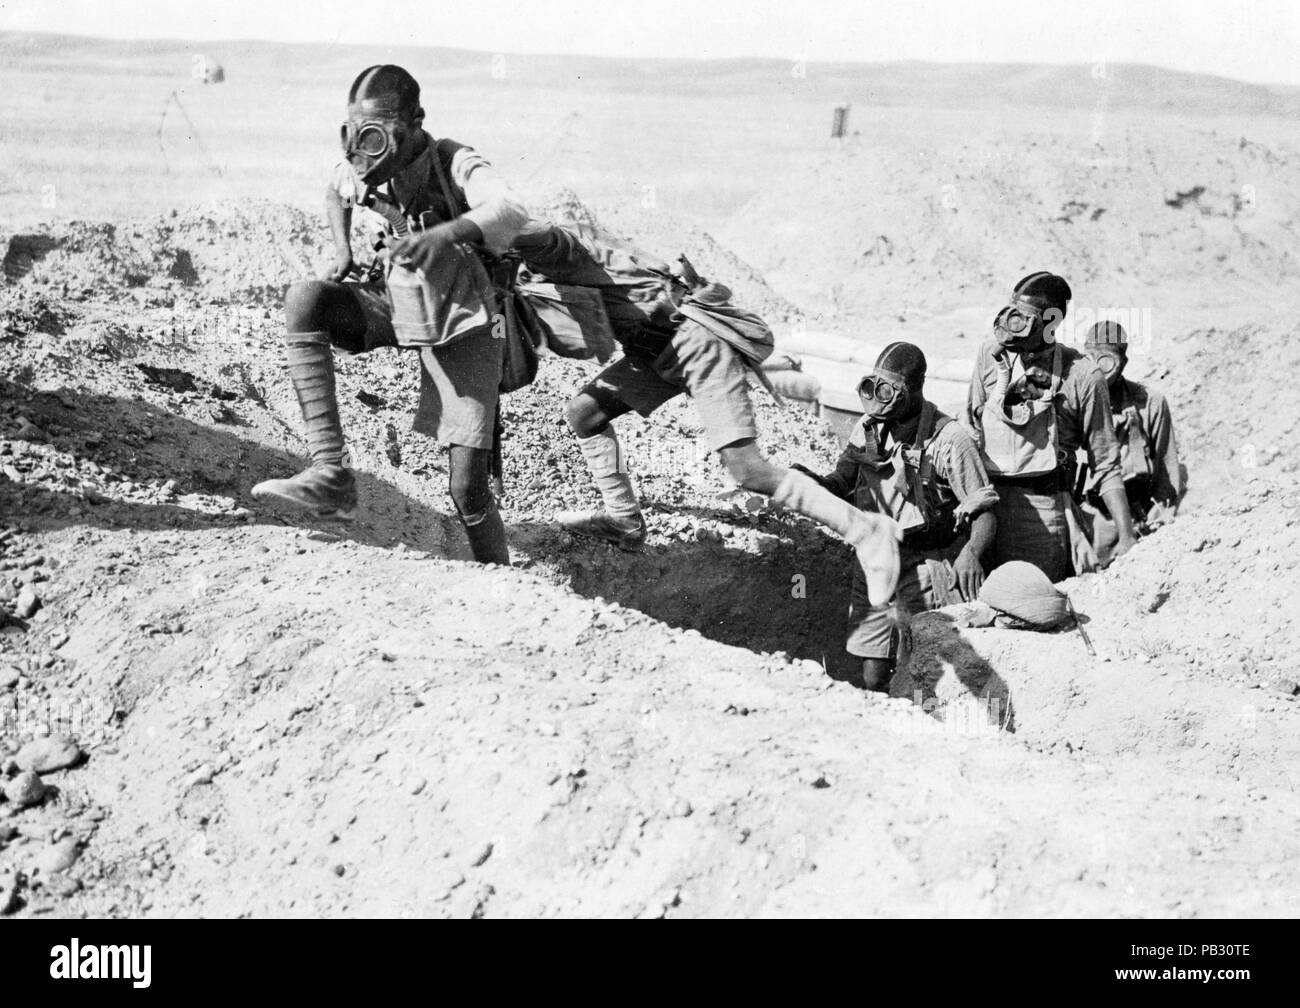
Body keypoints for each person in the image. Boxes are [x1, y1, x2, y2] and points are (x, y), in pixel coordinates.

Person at [511, 220, 903, 607]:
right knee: (584, 414)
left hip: (697, 342)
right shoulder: (524, 268)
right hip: (654, 355)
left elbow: (524, 232)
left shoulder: (550, 244)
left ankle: (867, 531)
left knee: (747, 470)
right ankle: (625, 522)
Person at [250, 65, 528, 564]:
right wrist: (341, 251)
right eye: (355, 134)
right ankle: (330, 474)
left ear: (416, 121)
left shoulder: (453, 161)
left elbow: (510, 210)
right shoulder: (362, 165)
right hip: (397, 303)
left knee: (466, 488)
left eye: (376, 135)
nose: (362, 150)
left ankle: (501, 582)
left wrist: (443, 234)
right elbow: (336, 189)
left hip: (462, 319)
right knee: (304, 300)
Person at [800, 343, 999, 692]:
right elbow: (843, 481)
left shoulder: (949, 440)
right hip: (874, 561)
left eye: (890, 390)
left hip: (923, 565)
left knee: (924, 671)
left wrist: (971, 553)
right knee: (872, 674)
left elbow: (983, 509)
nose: (880, 400)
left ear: (915, 389)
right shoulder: (870, 427)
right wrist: (811, 483)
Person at [964, 272, 1139, 583]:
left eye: (1025, 318)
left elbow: (1106, 463)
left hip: (1043, 515)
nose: (1013, 326)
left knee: (1034, 608)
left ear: (1052, 321)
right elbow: (973, 427)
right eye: (1011, 313)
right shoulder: (989, 357)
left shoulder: (1083, 376)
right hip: (988, 507)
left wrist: (1127, 537)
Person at [1076, 320, 1184, 565]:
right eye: (1091, 358)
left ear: (1123, 362)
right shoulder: (1072, 404)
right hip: (1088, 520)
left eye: (1107, 360)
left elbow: (1166, 477)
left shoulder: (1150, 403)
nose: (1100, 369)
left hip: (1138, 519)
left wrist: (1158, 528)